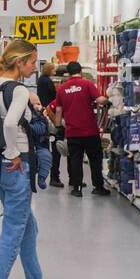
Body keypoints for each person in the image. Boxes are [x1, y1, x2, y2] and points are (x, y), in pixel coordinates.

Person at [0, 38, 67, 279]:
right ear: (19, 63)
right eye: (32, 62)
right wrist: (13, 153)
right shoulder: (17, 89)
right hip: (14, 168)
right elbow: (10, 123)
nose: (34, 66)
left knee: (28, 229)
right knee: (13, 232)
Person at [48, 61, 110, 197]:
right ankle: (98, 187)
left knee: (75, 159)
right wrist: (108, 99)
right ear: (80, 71)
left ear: (68, 73)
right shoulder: (87, 84)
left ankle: (77, 188)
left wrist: (58, 126)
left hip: (72, 132)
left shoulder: (62, 89)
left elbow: (58, 110)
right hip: (90, 131)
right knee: (95, 159)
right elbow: (100, 100)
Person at [31, 61, 63, 188]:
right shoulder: (47, 82)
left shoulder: (40, 80)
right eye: (53, 69)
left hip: (43, 113)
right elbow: (54, 97)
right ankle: (54, 177)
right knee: (55, 149)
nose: (55, 70)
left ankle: (43, 176)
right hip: (50, 114)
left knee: (43, 147)